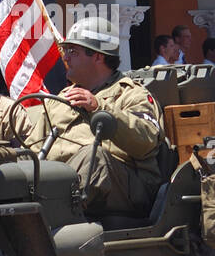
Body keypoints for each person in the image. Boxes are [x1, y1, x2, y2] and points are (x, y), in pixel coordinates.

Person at [31, 18, 165, 216]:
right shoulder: (59, 99)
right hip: (63, 182)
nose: (65, 57)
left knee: (94, 156)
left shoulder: (132, 94)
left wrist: (99, 107)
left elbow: (147, 140)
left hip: (124, 187)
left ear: (98, 57)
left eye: (73, 52)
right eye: (66, 50)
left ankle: (55, 211)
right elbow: (34, 147)